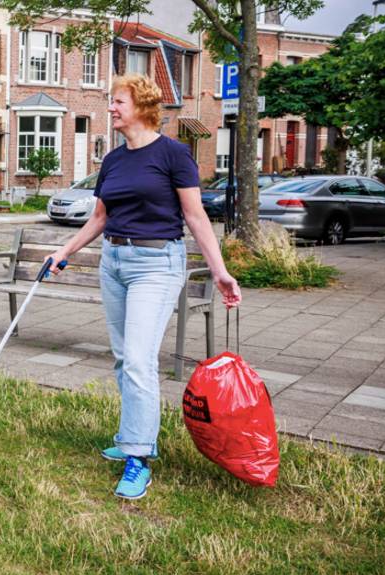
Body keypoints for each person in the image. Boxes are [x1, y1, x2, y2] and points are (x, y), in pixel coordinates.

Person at [49, 74, 242, 500]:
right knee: (124, 358)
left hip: (156, 264)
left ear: (142, 106)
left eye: (118, 101)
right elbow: (100, 218)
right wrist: (64, 251)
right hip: (114, 262)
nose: (111, 108)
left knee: (139, 359)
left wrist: (220, 271)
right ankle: (131, 437)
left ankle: (139, 457)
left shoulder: (173, 154)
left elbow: (195, 217)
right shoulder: (114, 161)